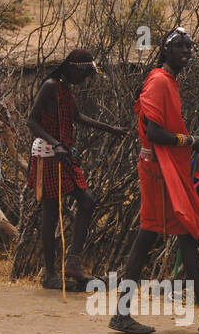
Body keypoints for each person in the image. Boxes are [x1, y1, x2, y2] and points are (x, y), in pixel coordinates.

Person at [110, 27, 199, 334]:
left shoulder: (168, 82)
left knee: (158, 235)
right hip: (157, 170)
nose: (186, 52)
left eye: (189, 48)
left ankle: (124, 313)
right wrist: (190, 140)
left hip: (162, 168)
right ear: (165, 51)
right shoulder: (158, 82)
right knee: (179, 233)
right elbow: (154, 133)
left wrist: (188, 143)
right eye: (180, 47)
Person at [26, 49, 130, 290]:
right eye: (84, 73)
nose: (85, 79)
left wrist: (110, 129)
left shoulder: (65, 88)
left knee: (87, 201)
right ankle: (50, 275)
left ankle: (72, 263)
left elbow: (75, 115)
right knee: (51, 212)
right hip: (47, 153)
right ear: (73, 68)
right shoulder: (50, 85)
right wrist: (55, 144)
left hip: (63, 153)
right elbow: (31, 121)